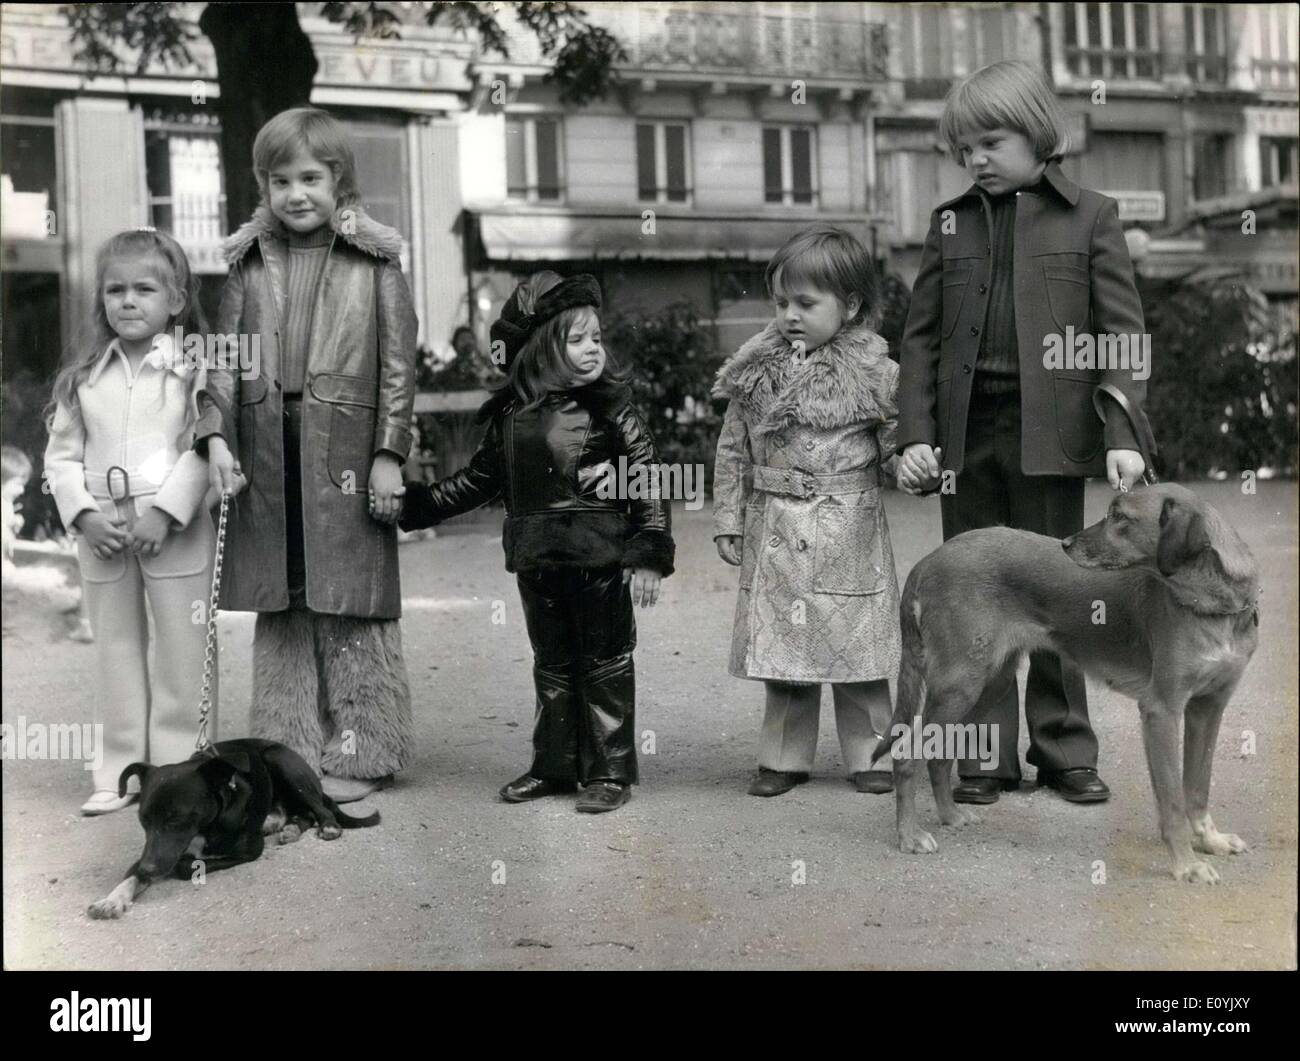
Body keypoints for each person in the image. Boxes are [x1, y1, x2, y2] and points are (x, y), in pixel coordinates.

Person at [895, 59, 1148, 805]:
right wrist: (915, 433)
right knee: (974, 597)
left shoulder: (1092, 215)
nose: (974, 160)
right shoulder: (949, 221)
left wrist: (1122, 430)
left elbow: (1120, 337)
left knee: (1062, 592)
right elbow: (921, 339)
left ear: (1039, 135)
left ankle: (1064, 747)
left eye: (990, 143)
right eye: (963, 148)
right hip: (966, 437)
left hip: (1053, 434)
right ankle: (980, 754)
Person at [198, 106, 418, 803]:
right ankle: (285, 750)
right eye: (280, 180)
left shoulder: (374, 260)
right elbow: (222, 364)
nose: (296, 194)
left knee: (351, 601)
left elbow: (398, 367)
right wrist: (214, 438)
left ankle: (364, 746)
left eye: (311, 178)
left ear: (338, 181)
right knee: (283, 597)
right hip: (267, 453)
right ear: (263, 186)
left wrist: (390, 452)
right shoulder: (246, 265)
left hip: (347, 449)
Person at [400, 271, 675, 813]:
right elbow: (477, 482)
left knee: (605, 662)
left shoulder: (612, 409)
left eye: (596, 337)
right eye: (577, 339)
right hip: (537, 559)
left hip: (600, 559)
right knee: (551, 664)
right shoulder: (508, 419)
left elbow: (648, 477)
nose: (593, 348)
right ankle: (554, 766)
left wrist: (648, 551)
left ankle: (610, 771)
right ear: (539, 349)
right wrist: (415, 508)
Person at [713, 225, 902, 798]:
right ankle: (782, 757)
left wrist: (913, 466)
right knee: (785, 654)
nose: (790, 315)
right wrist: (728, 519)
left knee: (859, 651)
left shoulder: (875, 374)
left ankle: (873, 755)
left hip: (848, 527)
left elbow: (896, 442)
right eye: (781, 302)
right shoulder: (756, 371)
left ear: (850, 306)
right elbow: (731, 448)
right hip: (777, 523)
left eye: (805, 303)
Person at [44, 228, 216, 815]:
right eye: (115, 290)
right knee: (115, 648)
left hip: (174, 527)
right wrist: (85, 515)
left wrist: (166, 513)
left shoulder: (191, 372)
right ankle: (117, 770)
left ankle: (176, 769)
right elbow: (60, 458)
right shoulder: (85, 378)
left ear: (176, 300)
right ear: (101, 301)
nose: (128, 300)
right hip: (103, 534)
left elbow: (202, 447)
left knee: (182, 648)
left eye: (145, 288)